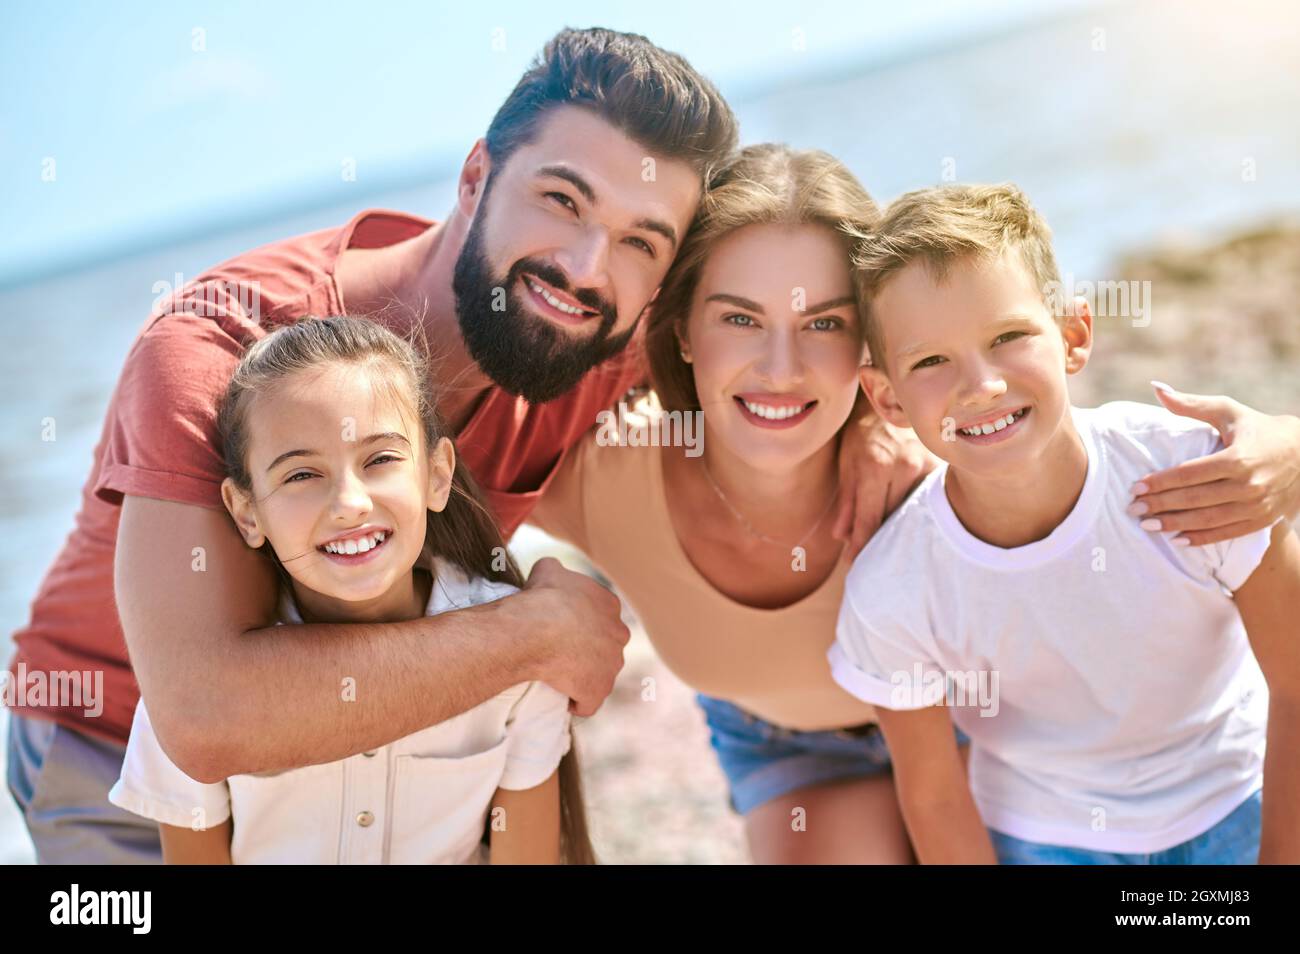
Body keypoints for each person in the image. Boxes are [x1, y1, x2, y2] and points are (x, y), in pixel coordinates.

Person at [4, 26, 734, 864]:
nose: (585, 265)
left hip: (377, 755)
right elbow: (206, 719)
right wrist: (533, 634)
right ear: (474, 179)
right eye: (562, 199)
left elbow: (798, 327)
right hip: (115, 743)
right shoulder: (221, 343)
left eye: (642, 240)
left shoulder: (592, 333)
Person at [529, 146, 1300, 863]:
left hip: (996, 745)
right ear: (685, 331)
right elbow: (441, 470)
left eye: (825, 322)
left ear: (871, 360)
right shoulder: (610, 480)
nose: (781, 367)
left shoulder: (939, 452)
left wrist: (1289, 444)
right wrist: (520, 623)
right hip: (804, 746)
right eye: (739, 318)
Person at [831, 183, 1300, 864]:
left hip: (1242, 792)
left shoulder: (1194, 476)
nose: (981, 385)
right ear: (887, 398)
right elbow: (933, 797)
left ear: (1074, 336)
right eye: (930, 360)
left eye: (1007, 336)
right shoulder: (895, 586)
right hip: (1052, 839)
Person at [106, 316, 591, 864]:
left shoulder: (523, 664)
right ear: (246, 511)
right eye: (300, 475)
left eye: (380, 459)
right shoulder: (194, 698)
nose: (349, 502)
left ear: (436, 475)